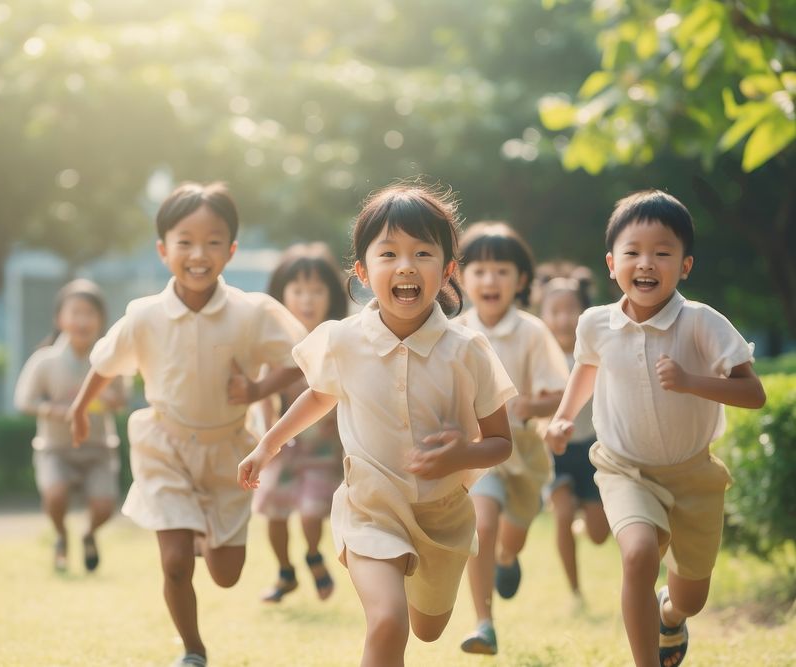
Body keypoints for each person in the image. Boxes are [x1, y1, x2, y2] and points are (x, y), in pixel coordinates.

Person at [238, 183, 516, 667]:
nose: (406, 265)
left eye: (422, 253)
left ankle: (413, 579)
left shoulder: (467, 351)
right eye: (389, 253)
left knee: (427, 630)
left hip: (442, 516)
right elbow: (319, 395)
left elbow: (499, 443)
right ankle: (389, 584)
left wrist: (460, 455)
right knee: (388, 622)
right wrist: (266, 445)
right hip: (370, 507)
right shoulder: (343, 340)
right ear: (364, 272)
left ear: (448, 270)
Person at [69, 182, 307, 667]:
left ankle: (202, 533)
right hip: (166, 447)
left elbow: (303, 359)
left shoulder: (251, 312)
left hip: (228, 453)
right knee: (175, 563)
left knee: (226, 573)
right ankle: (193, 650)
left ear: (231, 249)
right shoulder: (145, 316)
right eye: (185, 241)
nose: (199, 254)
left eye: (213, 241)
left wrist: (259, 391)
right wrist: (78, 409)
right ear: (163, 249)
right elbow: (105, 363)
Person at [545, 190, 765, 667]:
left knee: (692, 598)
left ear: (684, 265)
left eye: (662, 253)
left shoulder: (702, 322)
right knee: (639, 554)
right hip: (625, 468)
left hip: (694, 478)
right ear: (611, 263)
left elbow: (754, 393)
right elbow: (586, 368)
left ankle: (671, 613)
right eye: (633, 252)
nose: (646, 263)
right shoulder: (595, 324)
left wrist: (691, 382)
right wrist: (564, 416)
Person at [454, 222, 569, 655]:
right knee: (480, 525)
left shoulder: (532, 332)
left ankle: (507, 557)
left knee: (512, 534)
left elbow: (561, 393)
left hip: (526, 453)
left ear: (520, 280)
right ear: (460, 277)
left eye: (501, 271)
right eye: (479, 271)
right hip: (479, 452)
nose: (490, 280)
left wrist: (528, 407)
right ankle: (484, 623)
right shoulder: (455, 333)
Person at [252, 243, 348, 603]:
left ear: (331, 296)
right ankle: (285, 572)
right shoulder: (274, 342)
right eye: (298, 290)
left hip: (324, 449)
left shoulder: (338, 338)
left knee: (311, 512)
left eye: (317, 290)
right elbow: (263, 389)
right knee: (275, 516)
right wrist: (266, 431)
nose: (307, 299)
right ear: (282, 294)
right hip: (281, 448)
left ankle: (312, 554)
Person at [14, 278, 125, 573]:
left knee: (104, 507)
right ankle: (62, 537)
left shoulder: (110, 359)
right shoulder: (44, 361)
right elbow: (24, 401)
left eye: (90, 313)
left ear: (101, 320)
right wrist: (56, 410)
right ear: (59, 318)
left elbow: (123, 398)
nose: (82, 320)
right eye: (75, 312)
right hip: (56, 448)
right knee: (55, 495)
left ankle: (89, 534)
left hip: (99, 448)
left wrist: (107, 395)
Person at [536, 267, 609, 608]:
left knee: (599, 535)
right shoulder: (539, 355)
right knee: (562, 514)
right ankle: (575, 592)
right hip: (553, 450)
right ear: (542, 315)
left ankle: (586, 514)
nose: (564, 319)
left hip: (593, 448)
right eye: (555, 311)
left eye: (571, 310)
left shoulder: (596, 351)